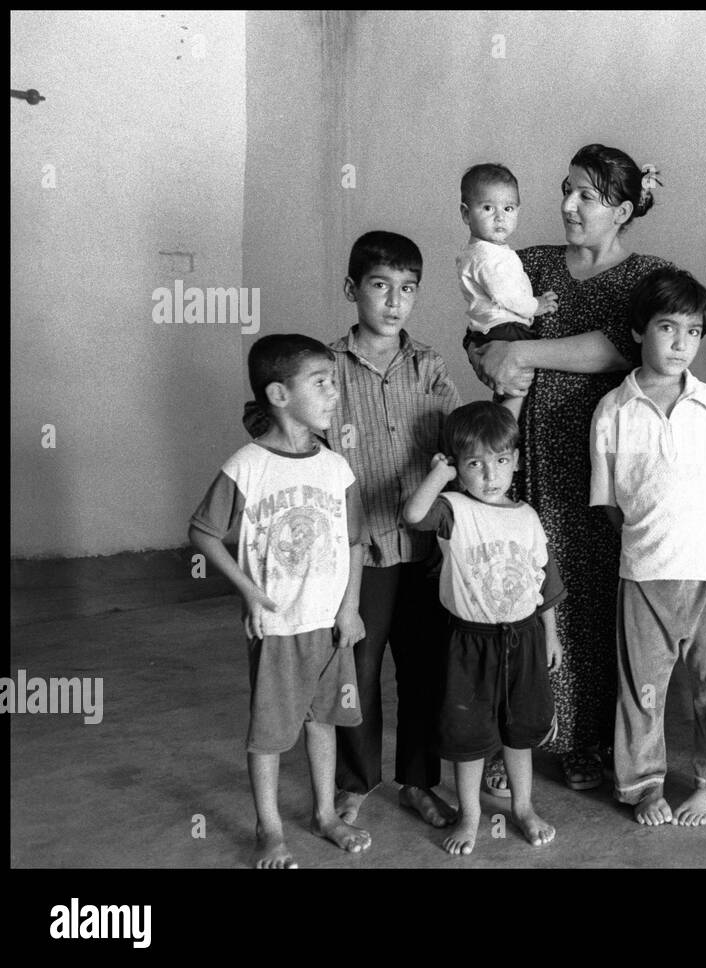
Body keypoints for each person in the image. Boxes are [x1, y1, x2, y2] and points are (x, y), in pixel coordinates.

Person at [466, 144, 671, 795]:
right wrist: (498, 356)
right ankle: (515, 739)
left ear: (623, 207)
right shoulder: (528, 263)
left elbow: (620, 347)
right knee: (518, 599)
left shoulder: (648, 278)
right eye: (565, 190)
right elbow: (483, 340)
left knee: (591, 600)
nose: (567, 205)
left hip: (605, 469)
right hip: (524, 459)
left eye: (586, 195)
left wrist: (523, 351)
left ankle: (587, 742)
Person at [244, 230, 462, 830]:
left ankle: (419, 782)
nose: (395, 302)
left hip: (423, 547)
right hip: (353, 554)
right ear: (352, 290)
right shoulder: (326, 368)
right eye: (380, 286)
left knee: (422, 671)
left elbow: (460, 445)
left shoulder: (431, 366)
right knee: (354, 672)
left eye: (408, 289)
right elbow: (287, 439)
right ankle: (355, 784)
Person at [190, 334, 371, 869]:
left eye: (334, 382)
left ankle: (324, 814)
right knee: (269, 735)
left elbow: (356, 541)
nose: (334, 393)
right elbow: (202, 531)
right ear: (279, 393)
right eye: (321, 383)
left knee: (323, 721)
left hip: (330, 624)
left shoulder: (336, 467)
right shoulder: (248, 465)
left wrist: (351, 607)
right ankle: (267, 829)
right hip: (279, 627)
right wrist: (248, 591)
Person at [590, 267, 706, 827]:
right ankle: (642, 786)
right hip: (645, 572)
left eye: (693, 331)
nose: (681, 342)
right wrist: (648, 545)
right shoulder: (612, 411)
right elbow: (611, 503)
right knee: (643, 691)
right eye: (667, 327)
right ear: (639, 330)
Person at [402, 401, 563, 854]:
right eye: (475, 464)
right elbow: (413, 516)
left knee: (519, 730)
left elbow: (544, 580)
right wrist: (439, 475)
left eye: (500, 461)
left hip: (525, 637)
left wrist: (551, 634)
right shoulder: (453, 508)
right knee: (467, 736)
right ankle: (470, 814)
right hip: (470, 643)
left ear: (515, 461)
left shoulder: (527, 516)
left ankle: (524, 807)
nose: (490, 475)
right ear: (458, 467)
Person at [456, 163, 559, 419]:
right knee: (518, 379)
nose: (500, 217)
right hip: (505, 327)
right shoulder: (488, 257)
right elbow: (507, 296)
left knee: (514, 382)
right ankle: (507, 426)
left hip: (492, 329)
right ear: (466, 214)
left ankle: (505, 421)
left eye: (508, 208)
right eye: (488, 208)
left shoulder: (487, 251)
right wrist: (536, 305)